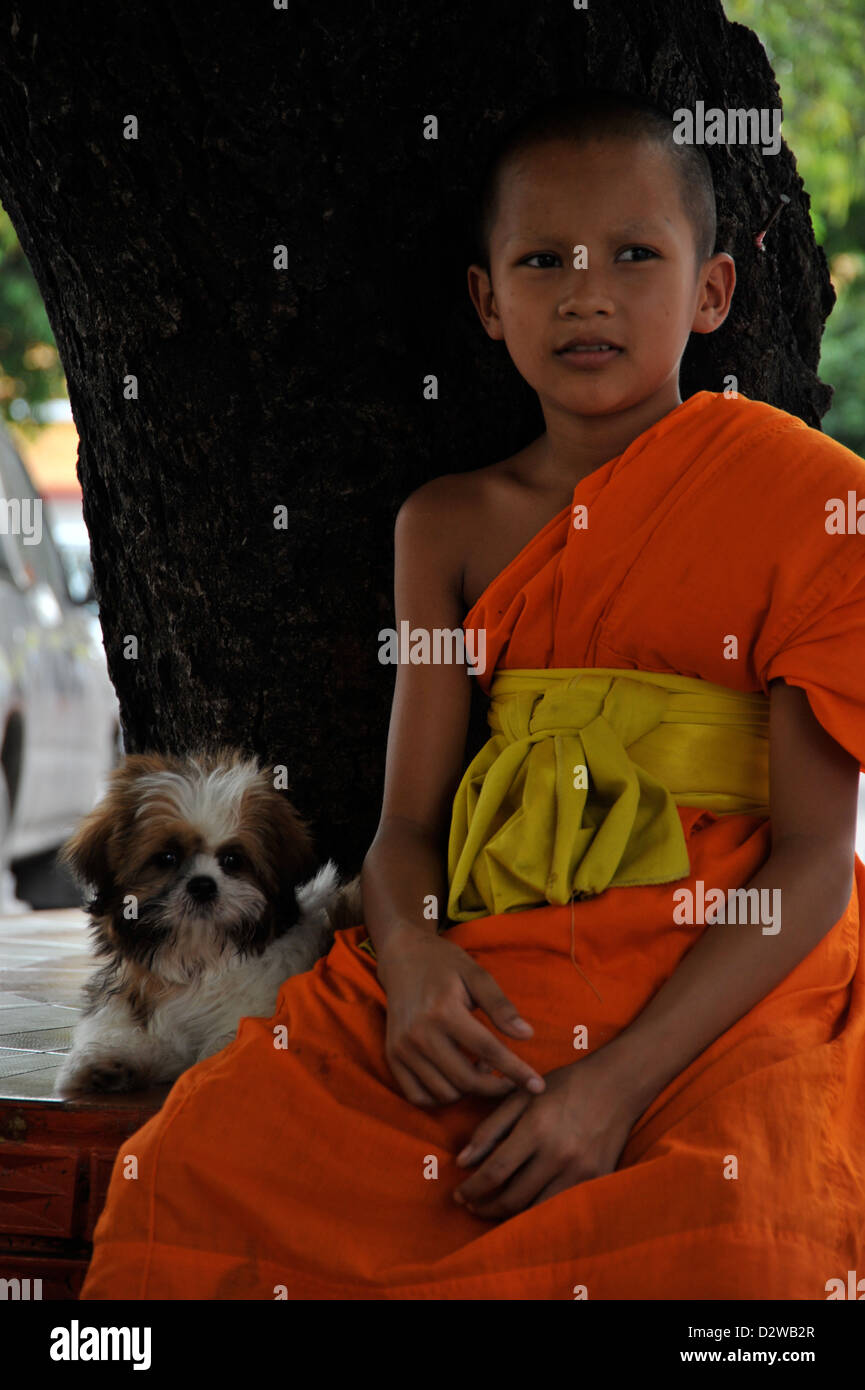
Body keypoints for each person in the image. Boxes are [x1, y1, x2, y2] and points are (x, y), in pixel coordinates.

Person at [80, 90, 865, 1301]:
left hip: (716, 982)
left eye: (633, 256)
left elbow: (814, 859)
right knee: (193, 1170)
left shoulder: (808, 501)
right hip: (495, 960)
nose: (585, 292)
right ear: (487, 300)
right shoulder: (447, 525)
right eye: (542, 260)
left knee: (740, 1241)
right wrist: (413, 962)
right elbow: (405, 829)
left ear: (711, 293)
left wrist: (615, 1087)